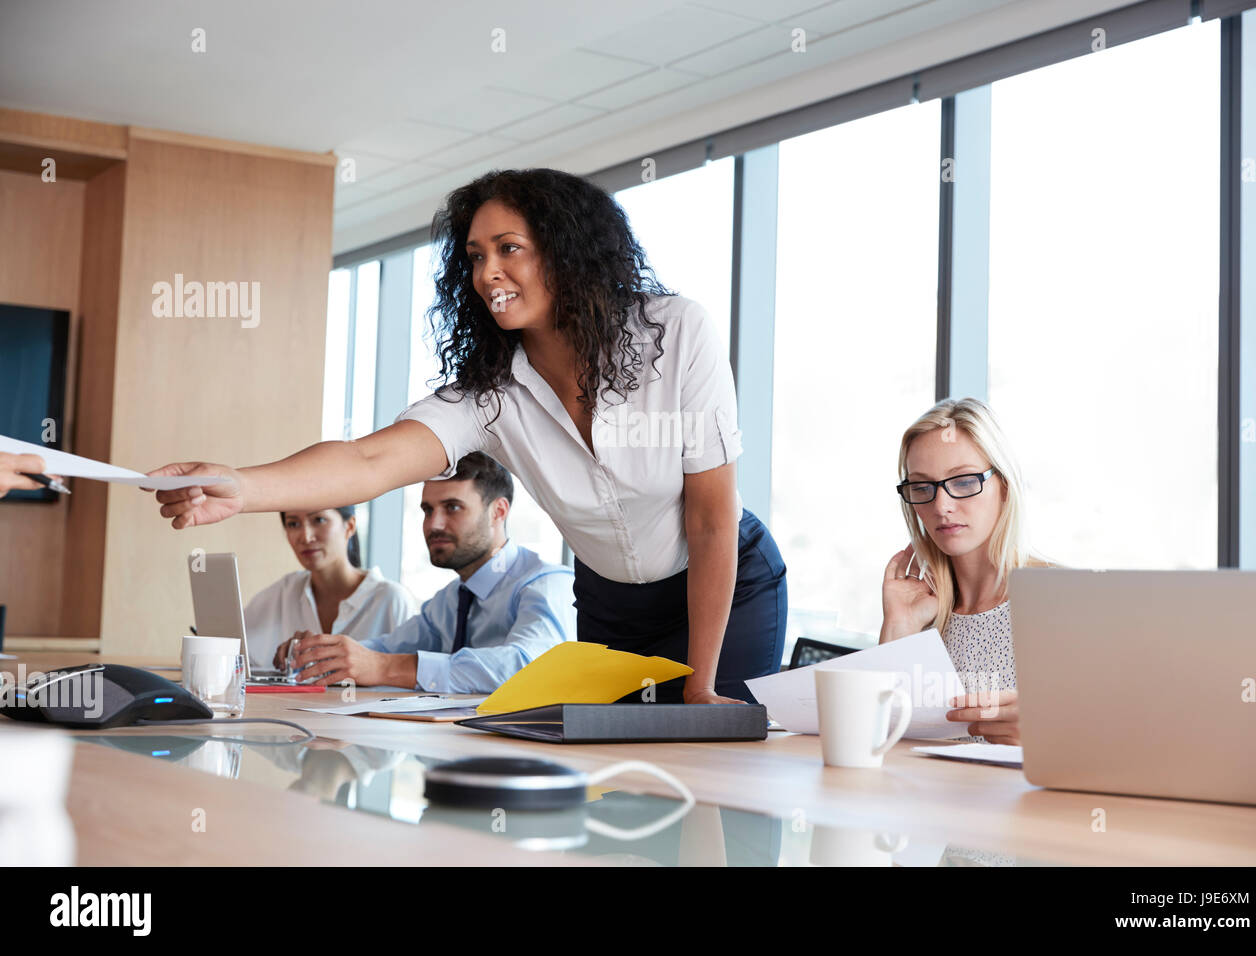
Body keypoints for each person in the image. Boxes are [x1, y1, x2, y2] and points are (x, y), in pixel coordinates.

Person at [148, 167, 786, 704]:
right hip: (611, 601)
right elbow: (369, 459)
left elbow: (709, 522)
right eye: (476, 257)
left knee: (711, 759)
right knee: (622, 786)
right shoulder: (492, 393)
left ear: (567, 249)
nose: (487, 273)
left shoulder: (674, 333)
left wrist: (699, 688)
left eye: (509, 248)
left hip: (723, 578)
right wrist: (238, 485)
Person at [281, 452, 575, 693]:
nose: (434, 524)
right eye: (427, 510)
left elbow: (531, 667)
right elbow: (387, 648)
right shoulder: (449, 601)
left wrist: (385, 667)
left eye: (452, 508)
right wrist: (324, 655)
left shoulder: (545, 585)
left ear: (498, 512)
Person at [878, 397, 1049, 745]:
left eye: (965, 481)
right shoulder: (922, 611)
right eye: (922, 487)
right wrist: (900, 627)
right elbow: (879, 742)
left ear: (1003, 485)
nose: (942, 506)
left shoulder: (1062, 599)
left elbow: (1124, 741)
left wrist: (1052, 735)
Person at [242, 502, 419, 671]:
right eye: (293, 524)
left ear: (349, 526)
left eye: (319, 520)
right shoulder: (281, 594)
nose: (306, 536)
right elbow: (233, 649)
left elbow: (414, 684)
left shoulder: (391, 600)